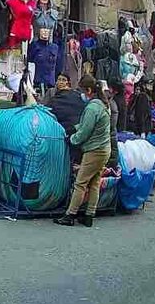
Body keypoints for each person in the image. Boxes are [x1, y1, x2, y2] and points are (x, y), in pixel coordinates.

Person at [55, 75, 111, 227]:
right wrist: (76, 128)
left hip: (94, 150)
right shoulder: (103, 104)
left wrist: (71, 138)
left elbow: (85, 131)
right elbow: (90, 126)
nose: (80, 95)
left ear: (89, 90)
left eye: (81, 91)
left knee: (80, 183)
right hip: (104, 149)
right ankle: (89, 216)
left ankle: (70, 215)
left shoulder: (92, 107)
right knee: (94, 183)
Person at [44, 73, 86, 137]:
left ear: (68, 83)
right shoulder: (51, 92)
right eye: (59, 80)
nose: (61, 82)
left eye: (63, 80)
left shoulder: (76, 95)